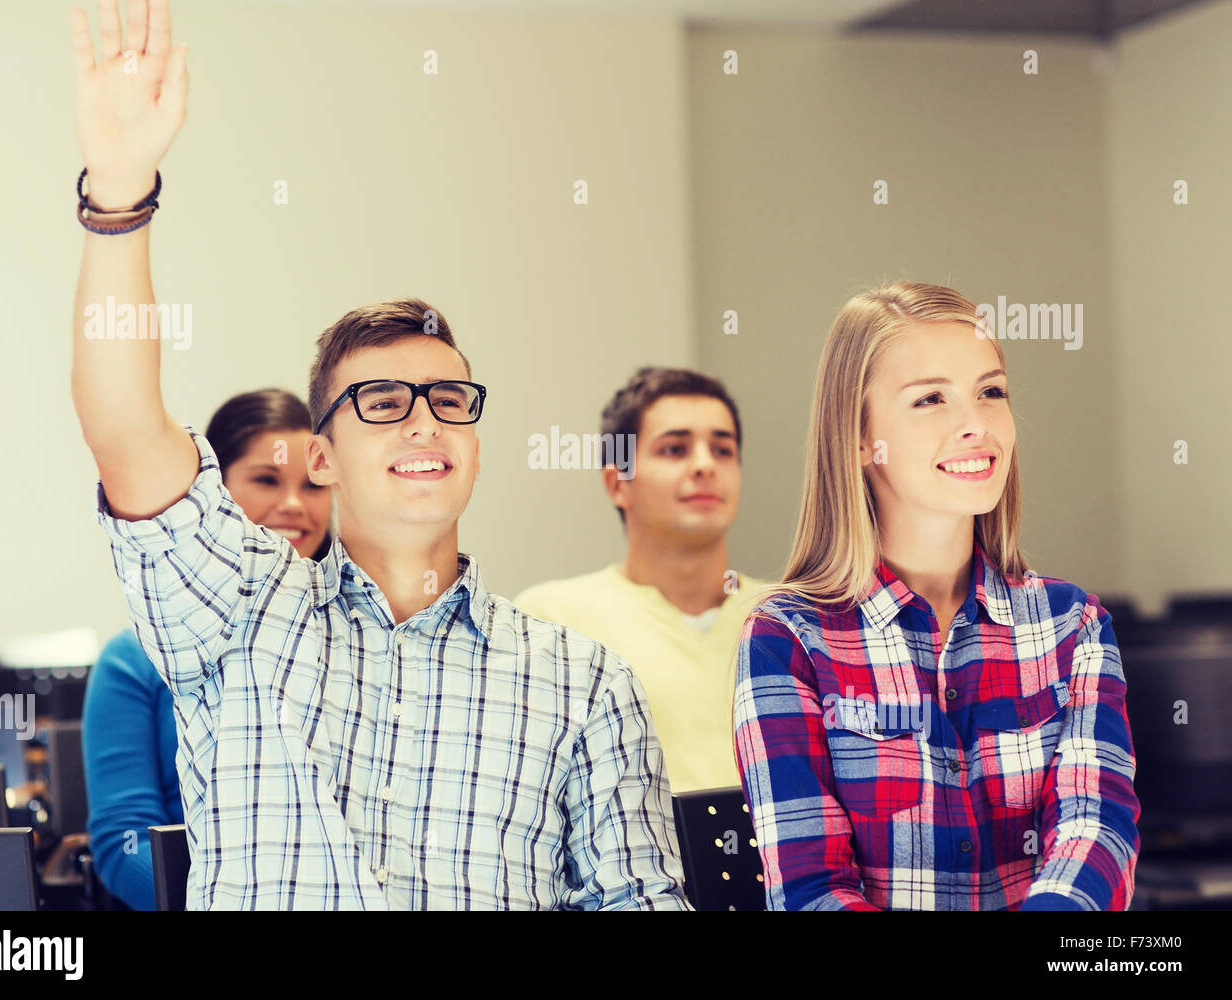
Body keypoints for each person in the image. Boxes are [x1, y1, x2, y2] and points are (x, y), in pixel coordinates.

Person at [68, 0, 686, 909]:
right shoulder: (242, 613)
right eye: (383, 403)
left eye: (449, 401)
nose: (424, 422)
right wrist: (118, 197)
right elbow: (125, 431)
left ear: (473, 445)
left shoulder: (582, 680)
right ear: (322, 456)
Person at [733, 281, 1140, 910]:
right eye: (930, 399)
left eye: (991, 392)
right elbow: (812, 890)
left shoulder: (1073, 625)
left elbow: (1096, 832)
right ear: (861, 438)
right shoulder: (786, 640)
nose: (975, 424)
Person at [83, 389, 332, 910]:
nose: (293, 504)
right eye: (267, 479)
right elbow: (122, 842)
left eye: (313, 486)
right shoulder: (133, 661)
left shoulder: (362, 635)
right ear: (215, 491)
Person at [515, 368, 769, 794]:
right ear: (618, 483)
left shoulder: (792, 616)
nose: (705, 465)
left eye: (723, 450)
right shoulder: (549, 622)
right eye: (674, 449)